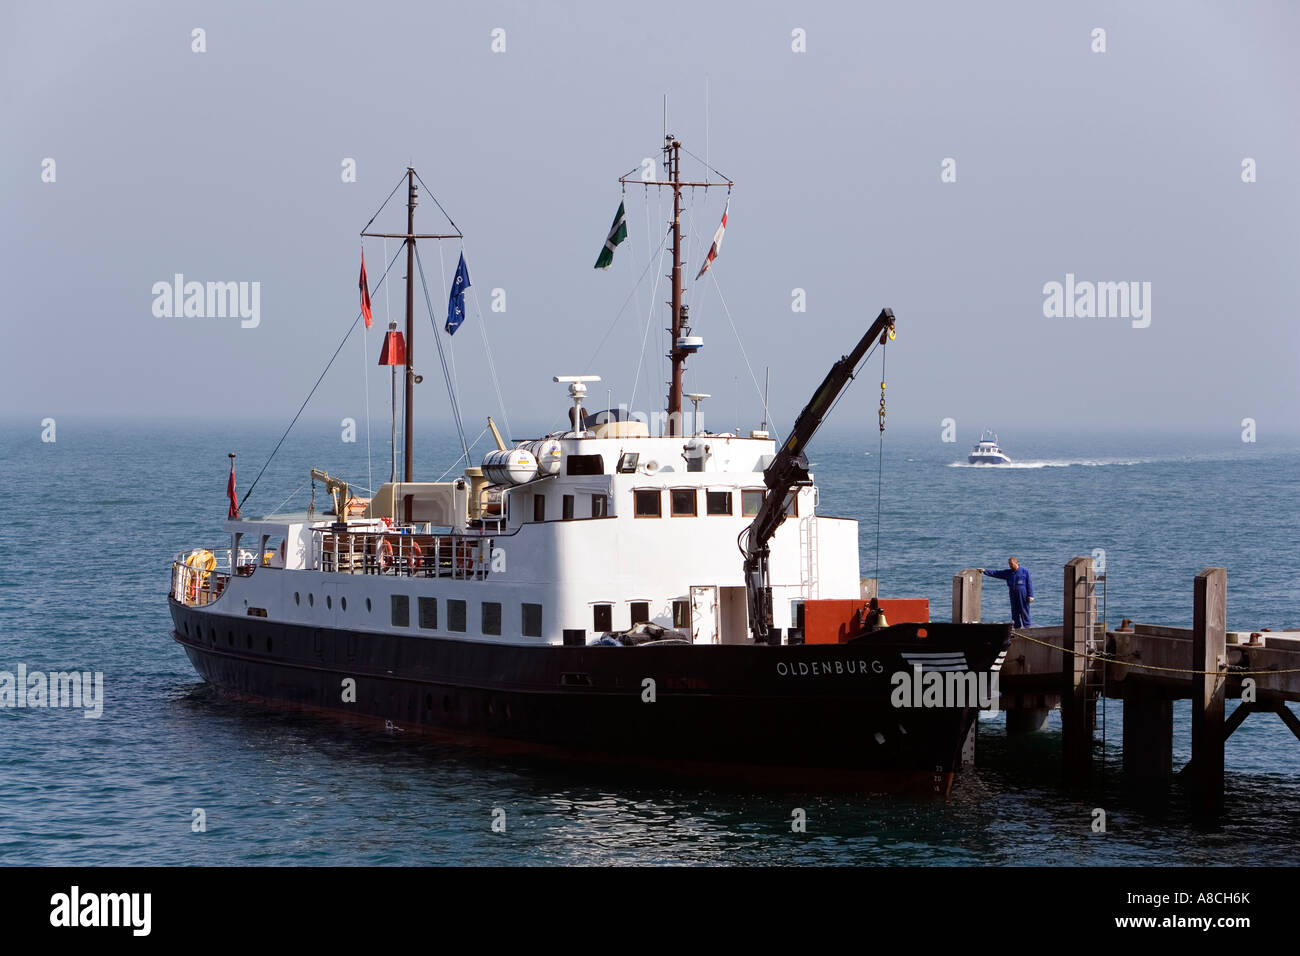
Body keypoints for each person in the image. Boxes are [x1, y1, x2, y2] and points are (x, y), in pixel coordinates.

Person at [980, 557, 1034, 628]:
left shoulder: (1024, 571)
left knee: (1024, 610)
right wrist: (985, 571)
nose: (1010, 566)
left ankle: (1028, 627)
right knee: (1014, 611)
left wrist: (1030, 595)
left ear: (1016, 563)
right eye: (1009, 564)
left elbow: (1029, 583)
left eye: (1011, 564)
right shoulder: (1008, 572)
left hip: (1022, 594)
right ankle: (1017, 627)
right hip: (1012, 593)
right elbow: (996, 573)